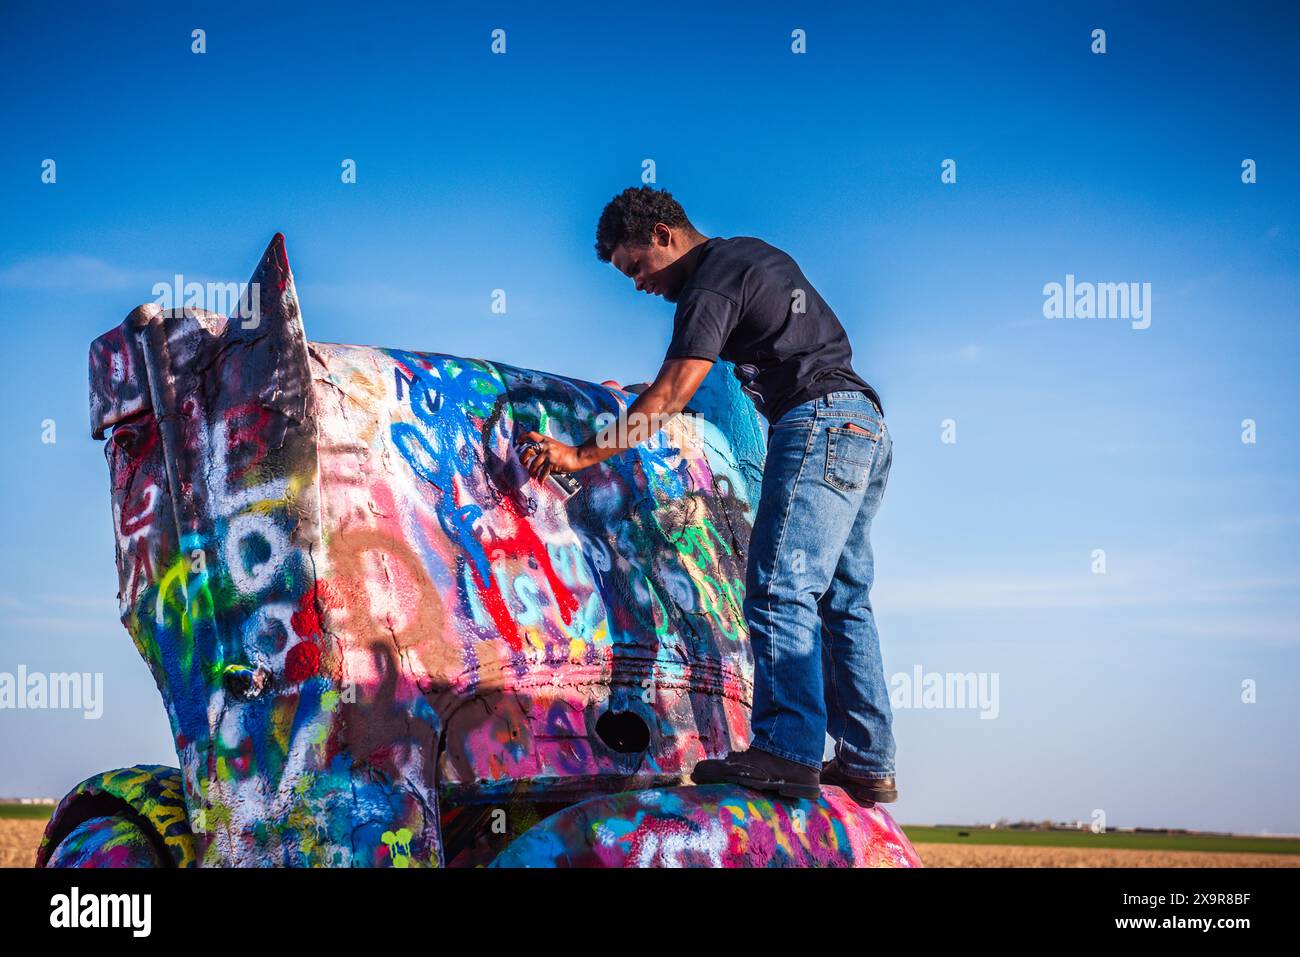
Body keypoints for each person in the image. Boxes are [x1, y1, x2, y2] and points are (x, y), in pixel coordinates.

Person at [518, 186, 897, 805]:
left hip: (818, 422)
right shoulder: (749, 258)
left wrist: (580, 455)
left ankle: (788, 751)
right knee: (844, 601)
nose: (638, 284)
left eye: (636, 266)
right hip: (863, 426)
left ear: (663, 233)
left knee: (779, 585)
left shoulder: (710, 282)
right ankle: (867, 761)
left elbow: (670, 394)